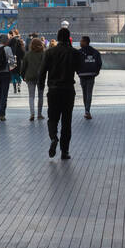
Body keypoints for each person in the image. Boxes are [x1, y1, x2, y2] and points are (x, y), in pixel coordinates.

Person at [43, 27, 81, 159]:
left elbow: (42, 71)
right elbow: (80, 69)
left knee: (52, 117)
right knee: (66, 121)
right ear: (68, 37)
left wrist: (42, 87)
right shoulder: (74, 52)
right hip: (68, 90)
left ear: (58, 37)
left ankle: (54, 137)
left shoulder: (50, 52)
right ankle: (65, 151)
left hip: (53, 90)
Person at [77, 35, 103, 119]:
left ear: (85, 42)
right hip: (91, 75)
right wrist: (96, 72)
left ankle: (86, 110)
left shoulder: (79, 52)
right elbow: (99, 63)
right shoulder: (95, 52)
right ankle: (87, 110)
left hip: (82, 75)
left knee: (85, 93)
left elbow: (75, 63)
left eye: (81, 41)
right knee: (89, 93)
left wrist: (78, 72)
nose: (80, 42)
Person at [23, 36, 47, 120]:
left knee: (31, 96)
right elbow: (46, 66)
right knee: (40, 96)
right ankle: (39, 114)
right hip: (40, 77)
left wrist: (23, 76)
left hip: (30, 77)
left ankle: (32, 113)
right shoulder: (43, 54)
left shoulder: (28, 54)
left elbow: (23, 66)